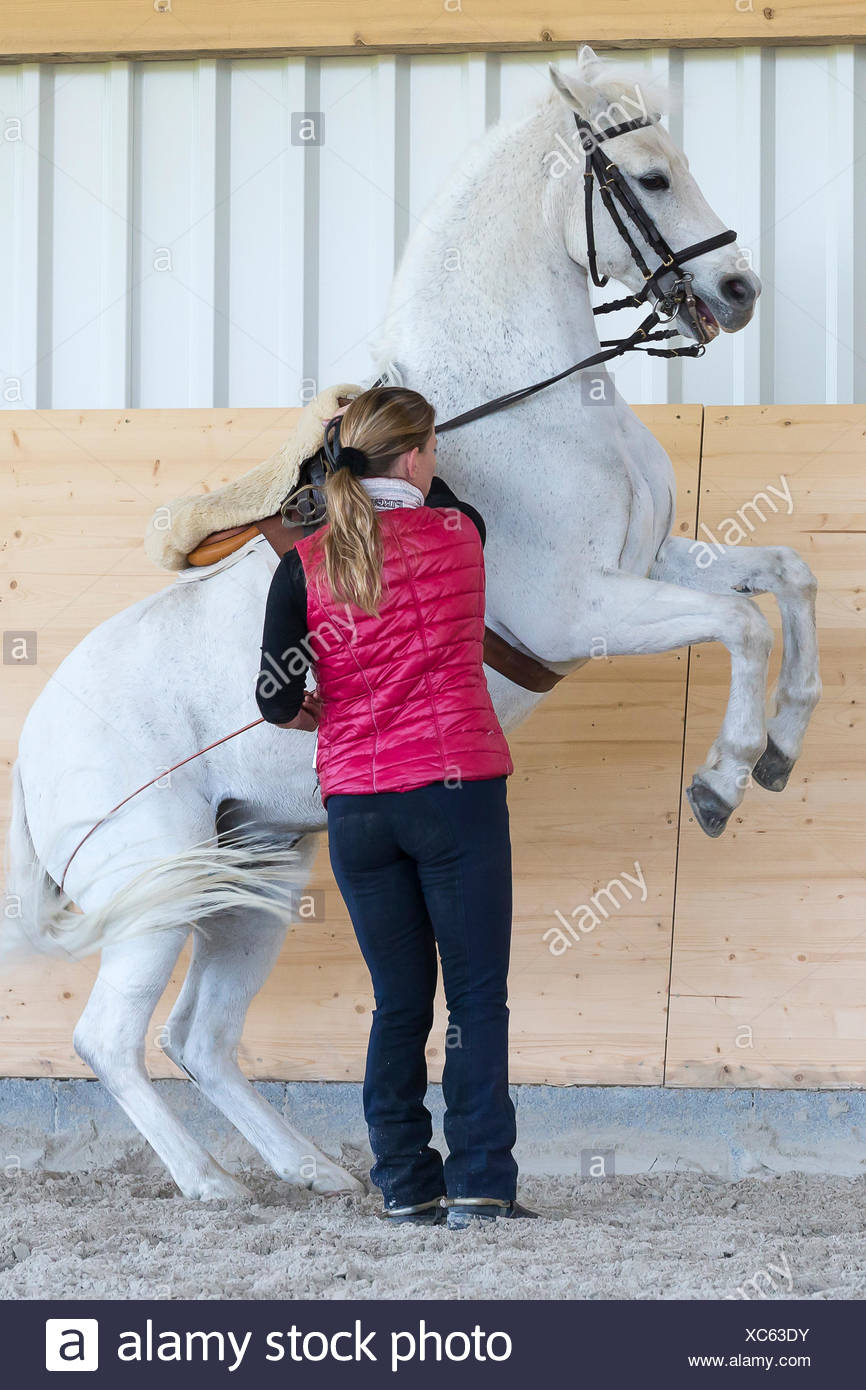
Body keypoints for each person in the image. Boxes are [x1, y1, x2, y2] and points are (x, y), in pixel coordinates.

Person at [255, 386, 536, 1229]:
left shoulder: (301, 563)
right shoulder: (461, 532)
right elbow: (435, 503)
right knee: (477, 997)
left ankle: (408, 1186)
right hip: (456, 794)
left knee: (399, 1002)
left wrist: (306, 707)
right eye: (432, 449)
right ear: (415, 458)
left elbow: (273, 696)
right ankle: (482, 1180)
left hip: (358, 808)